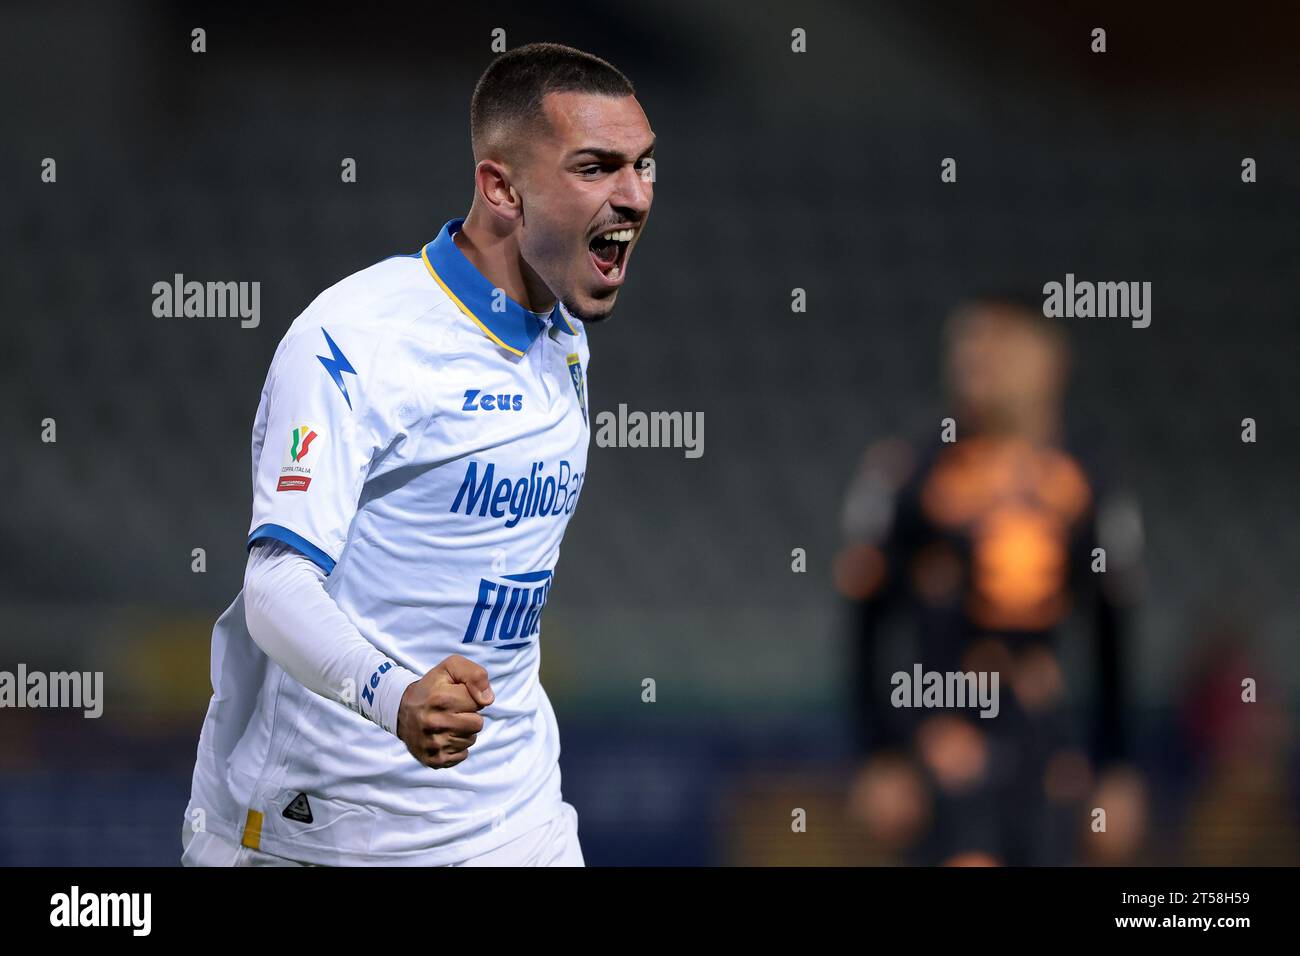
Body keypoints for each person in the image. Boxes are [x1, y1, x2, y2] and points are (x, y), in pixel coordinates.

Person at [182, 42, 655, 866]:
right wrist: (395, 696)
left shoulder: (563, 333)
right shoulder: (354, 340)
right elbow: (275, 585)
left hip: (518, 818)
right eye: (597, 167)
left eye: (645, 166)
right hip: (325, 829)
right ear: (501, 187)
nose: (635, 196)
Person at [838, 295, 1144, 865]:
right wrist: (879, 754)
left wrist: (1116, 768)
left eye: (997, 343)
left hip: (1046, 747)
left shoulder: (1089, 479)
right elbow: (865, 621)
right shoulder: (910, 471)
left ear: (1050, 359)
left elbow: (1112, 631)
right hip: (943, 742)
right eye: (965, 343)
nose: (974, 358)